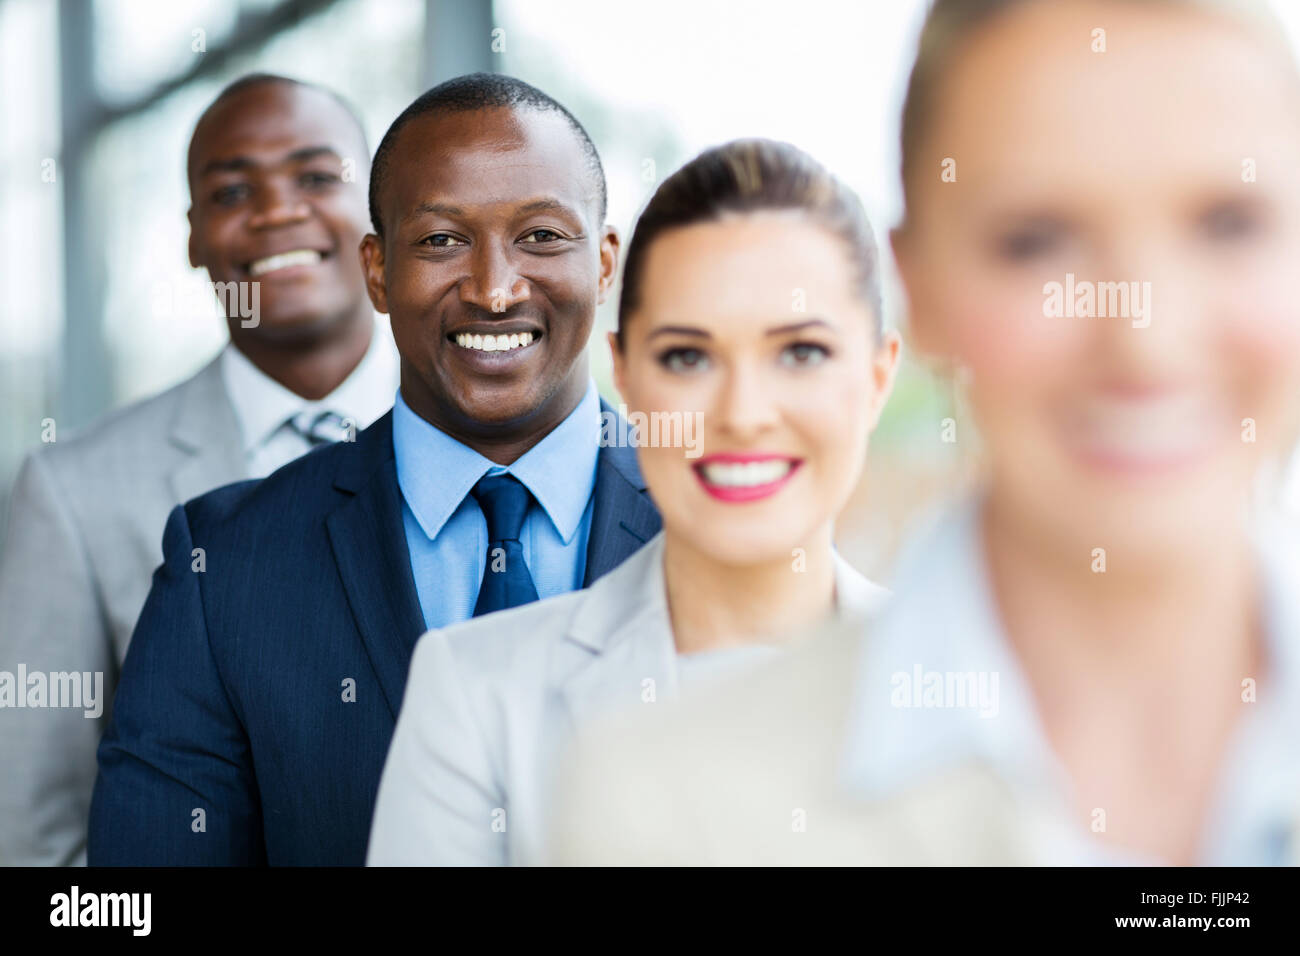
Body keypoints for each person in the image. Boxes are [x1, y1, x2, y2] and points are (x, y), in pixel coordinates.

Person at [549, 0, 1300, 866]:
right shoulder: (655, 812)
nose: (1145, 338)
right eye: (1037, 241)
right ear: (922, 285)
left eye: (1229, 226)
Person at [88, 74, 660, 866]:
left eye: (541, 236)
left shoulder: (715, 526)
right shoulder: (224, 565)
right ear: (379, 270)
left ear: (603, 264)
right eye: (440, 241)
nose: (495, 290)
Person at [366, 138, 902, 866]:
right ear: (626, 375)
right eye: (688, 356)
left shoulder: (989, 686)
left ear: (876, 376)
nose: (743, 413)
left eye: (800, 352)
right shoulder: (476, 694)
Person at [0, 73, 397, 867]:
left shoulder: (486, 442)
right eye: (231, 191)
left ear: (380, 222)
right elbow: (34, 832)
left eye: (317, 177)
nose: (278, 209)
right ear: (192, 238)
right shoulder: (74, 492)